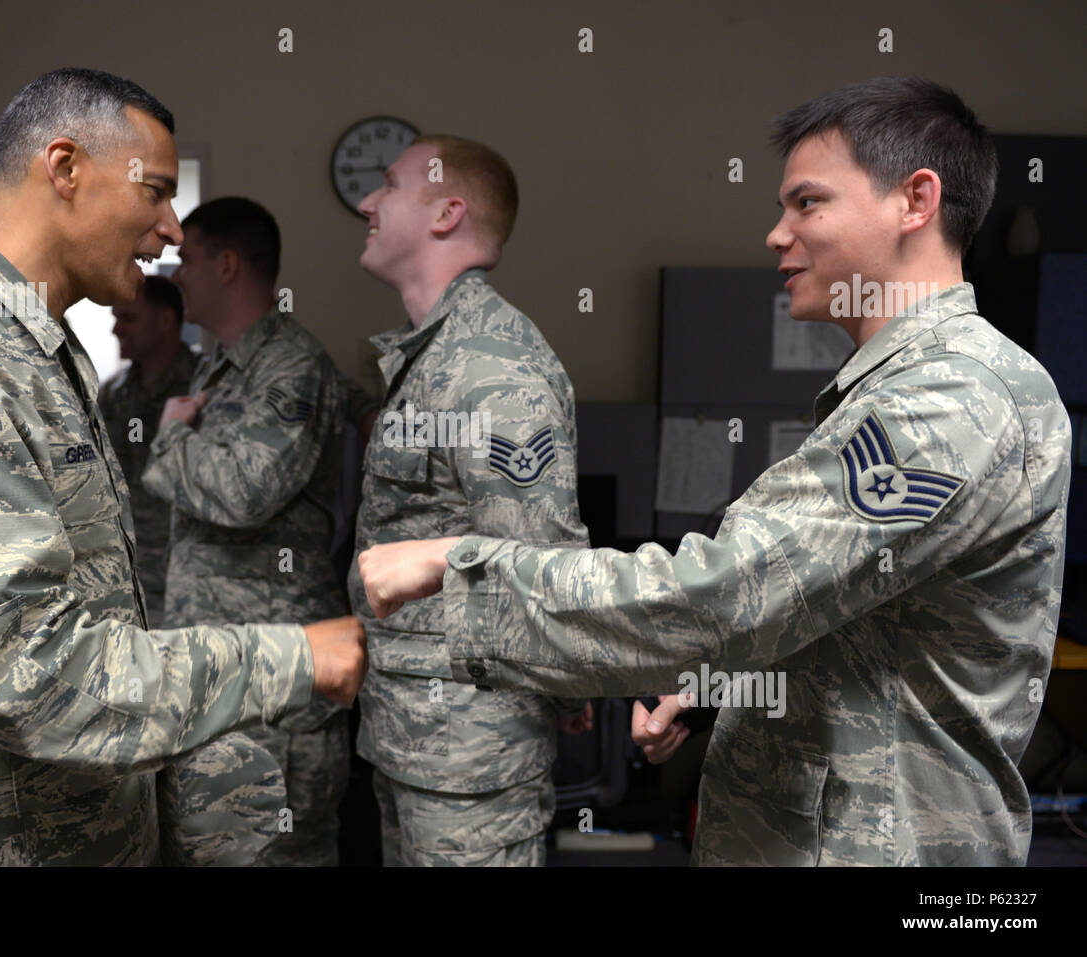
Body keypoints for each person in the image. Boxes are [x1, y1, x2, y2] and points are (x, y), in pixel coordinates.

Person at [358, 77, 1072, 867]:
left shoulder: (955, 396)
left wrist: (456, 566)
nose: (777, 234)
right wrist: (717, 684)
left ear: (915, 200)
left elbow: (726, 592)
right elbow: (853, 616)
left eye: (807, 203)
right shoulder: (890, 391)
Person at [0, 67, 365, 866]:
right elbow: (26, 676)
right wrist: (293, 657)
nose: (173, 230)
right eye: (157, 192)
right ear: (65, 168)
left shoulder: (38, 350)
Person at [348, 134, 591, 866]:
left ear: (447, 213)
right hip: (412, 741)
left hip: (471, 765)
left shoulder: (490, 363)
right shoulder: (433, 355)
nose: (366, 201)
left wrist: (573, 687)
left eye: (388, 185)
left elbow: (542, 571)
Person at [141, 196, 356, 865]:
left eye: (187, 260)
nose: (175, 276)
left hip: (276, 691)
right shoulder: (222, 362)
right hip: (220, 676)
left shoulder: (290, 363)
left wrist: (170, 442)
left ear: (227, 264)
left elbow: (245, 491)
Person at [98, 274, 199, 627]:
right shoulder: (112, 392)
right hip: (128, 579)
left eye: (128, 317)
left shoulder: (203, 386)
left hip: (189, 583)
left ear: (166, 320)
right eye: (115, 318)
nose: (116, 329)